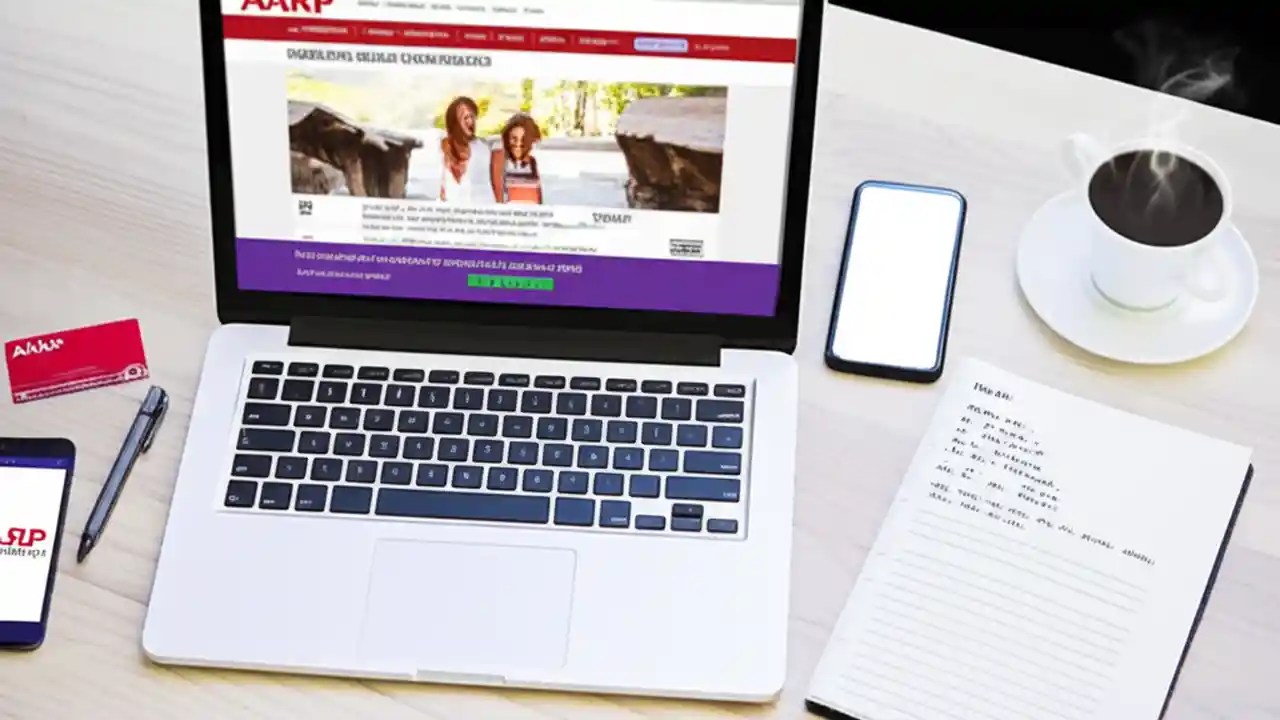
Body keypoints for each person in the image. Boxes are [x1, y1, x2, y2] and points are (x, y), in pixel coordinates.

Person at [438, 96, 494, 203]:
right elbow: (441, 192)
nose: (471, 121)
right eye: (465, 117)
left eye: (473, 116)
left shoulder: (482, 149)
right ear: (454, 122)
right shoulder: (442, 149)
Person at [490, 113, 543, 204]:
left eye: (523, 139)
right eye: (514, 138)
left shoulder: (533, 163)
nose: (518, 144)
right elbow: (498, 201)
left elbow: (539, 201)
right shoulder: (500, 157)